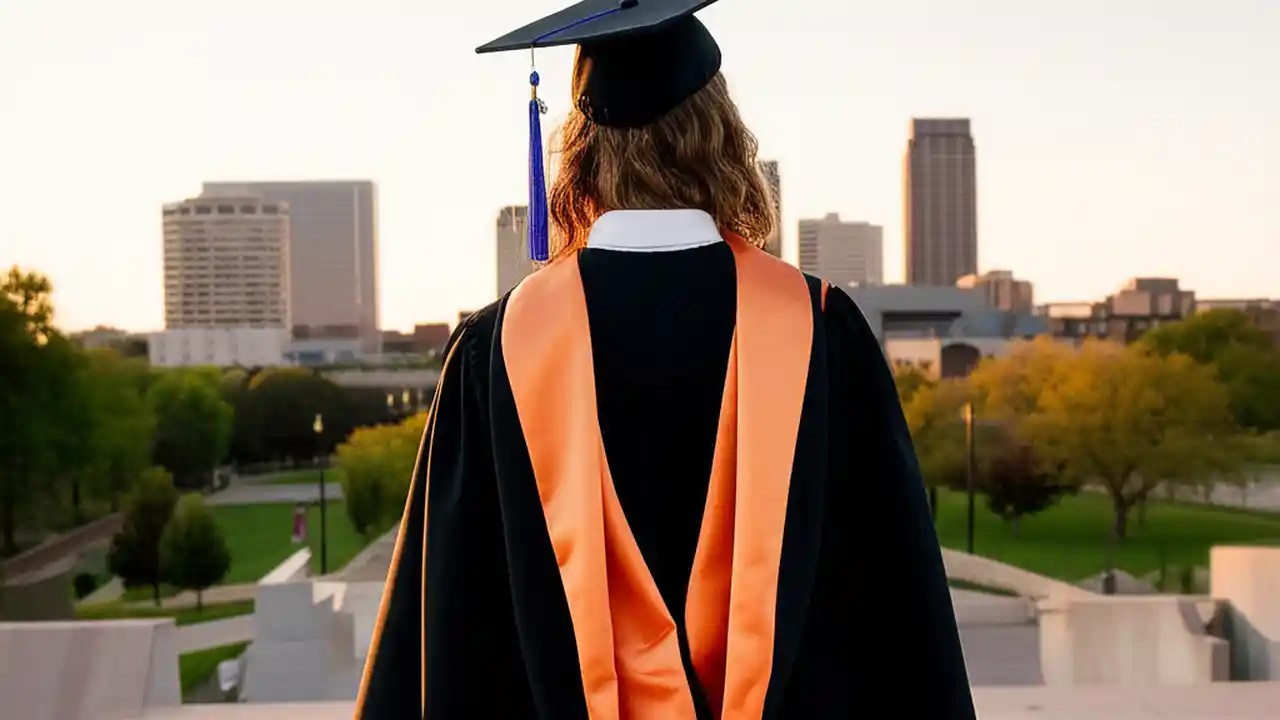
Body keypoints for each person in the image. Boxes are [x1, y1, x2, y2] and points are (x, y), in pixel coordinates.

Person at [356, 1, 975, 718]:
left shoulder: (494, 352)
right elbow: (899, 614)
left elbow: (451, 627)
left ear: (580, 149)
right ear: (724, 137)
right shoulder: (821, 331)